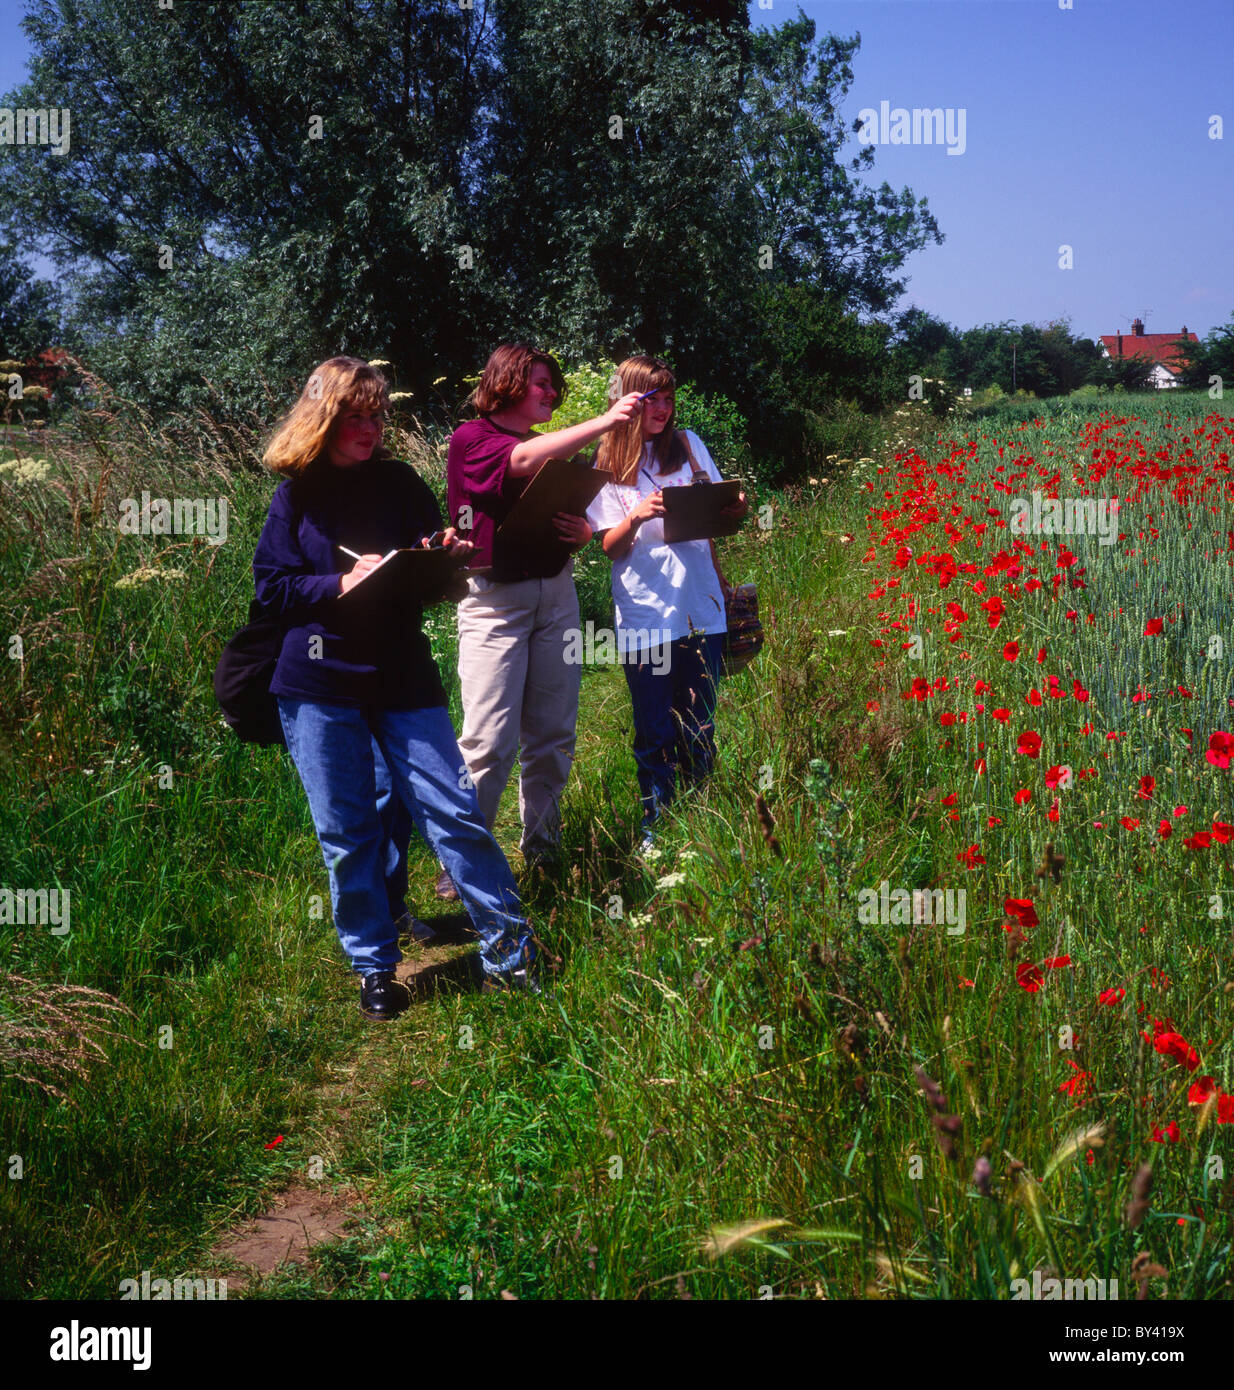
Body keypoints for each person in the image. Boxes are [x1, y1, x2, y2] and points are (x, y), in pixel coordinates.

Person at [251, 356, 538, 1019]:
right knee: (349, 831)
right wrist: (341, 584)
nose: (370, 427)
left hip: (403, 674)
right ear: (324, 417)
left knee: (455, 812)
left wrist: (442, 555)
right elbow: (273, 587)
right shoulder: (296, 495)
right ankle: (375, 966)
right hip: (318, 682)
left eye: (377, 415)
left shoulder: (402, 483)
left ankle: (510, 948)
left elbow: (431, 563)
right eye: (355, 415)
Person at [441, 343, 644, 896]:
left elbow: (557, 489)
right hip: (495, 602)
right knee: (487, 740)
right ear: (506, 382)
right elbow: (520, 466)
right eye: (541, 383)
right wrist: (605, 417)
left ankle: (544, 851)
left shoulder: (540, 444)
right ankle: (462, 866)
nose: (551, 391)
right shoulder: (473, 438)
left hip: (555, 595)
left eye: (554, 383)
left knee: (553, 733)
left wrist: (577, 528)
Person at [587, 355, 748, 846]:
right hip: (647, 614)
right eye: (650, 397)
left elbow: (717, 520)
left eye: (668, 397)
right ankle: (656, 825)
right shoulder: (608, 461)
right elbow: (610, 548)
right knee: (655, 728)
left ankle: (702, 821)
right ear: (627, 400)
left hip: (701, 605)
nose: (662, 407)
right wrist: (635, 516)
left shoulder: (688, 444)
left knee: (699, 721)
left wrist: (734, 507)